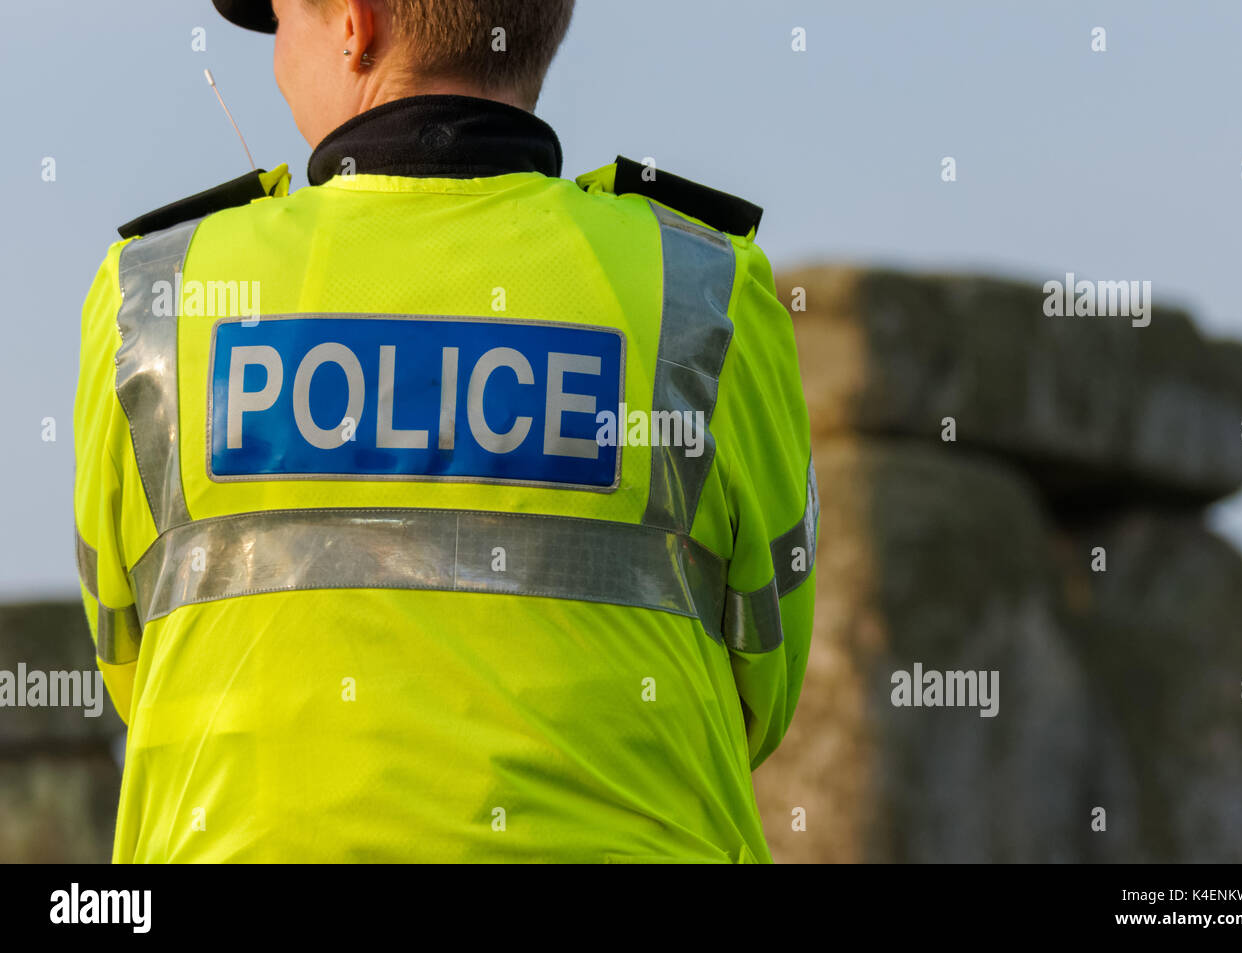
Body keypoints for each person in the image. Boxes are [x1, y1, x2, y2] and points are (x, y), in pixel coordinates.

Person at [73, 0, 817, 863]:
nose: (277, 60)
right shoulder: (704, 287)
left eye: (280, 20)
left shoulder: (154, 296)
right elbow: (766, 670)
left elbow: (129, 654)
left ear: (355, 25)